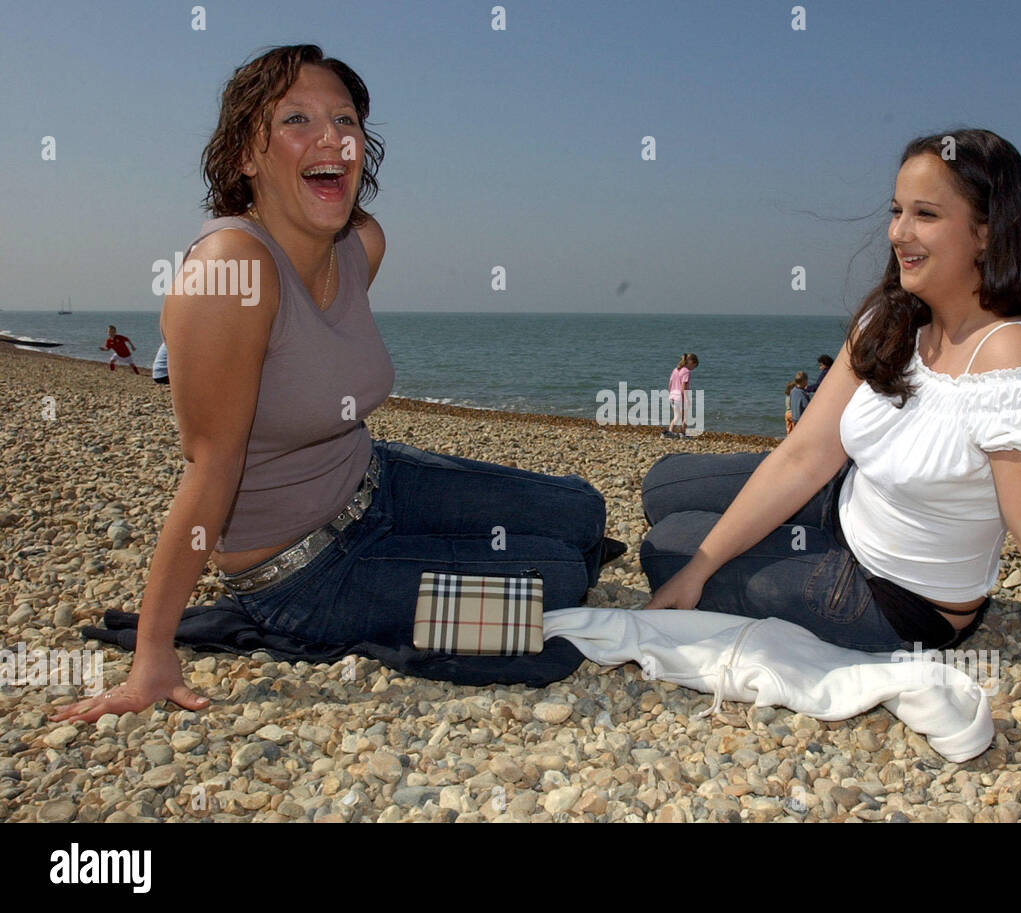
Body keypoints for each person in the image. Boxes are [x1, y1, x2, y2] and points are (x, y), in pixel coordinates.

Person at [53, 45, 613, 725]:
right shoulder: (228, 273)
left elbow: (314, 358)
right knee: (555, 587)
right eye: (296, 120)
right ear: (244, 157)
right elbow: (209, 467)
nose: (332, 138)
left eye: (345, 121)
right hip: (304, 573)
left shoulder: (361, 243)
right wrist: (153, 649)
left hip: (376, 479)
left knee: (582, 511)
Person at [639, 129, 1021, 780]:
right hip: (847, 503)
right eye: (897, 210)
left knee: (667, 550)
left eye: (927, 214)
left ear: (987, 233)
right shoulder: (894, 317)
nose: (899, 232)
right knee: (664, 486)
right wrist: (712, 559)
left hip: (896, 597)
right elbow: (804, 456)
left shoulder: (1010, 359)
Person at [662, 352, 698, 439]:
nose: (693, 368)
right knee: (685, 416)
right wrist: (686, 398)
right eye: (694, 366)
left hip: (672, 395)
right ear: (691, 362)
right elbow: (683, 385)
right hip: (680, 395)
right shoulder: (686, 371)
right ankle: (682, 433)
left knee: (676, 416)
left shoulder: (675, 370)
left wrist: (670, 393)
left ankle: (670, 432)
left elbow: (670, 383)